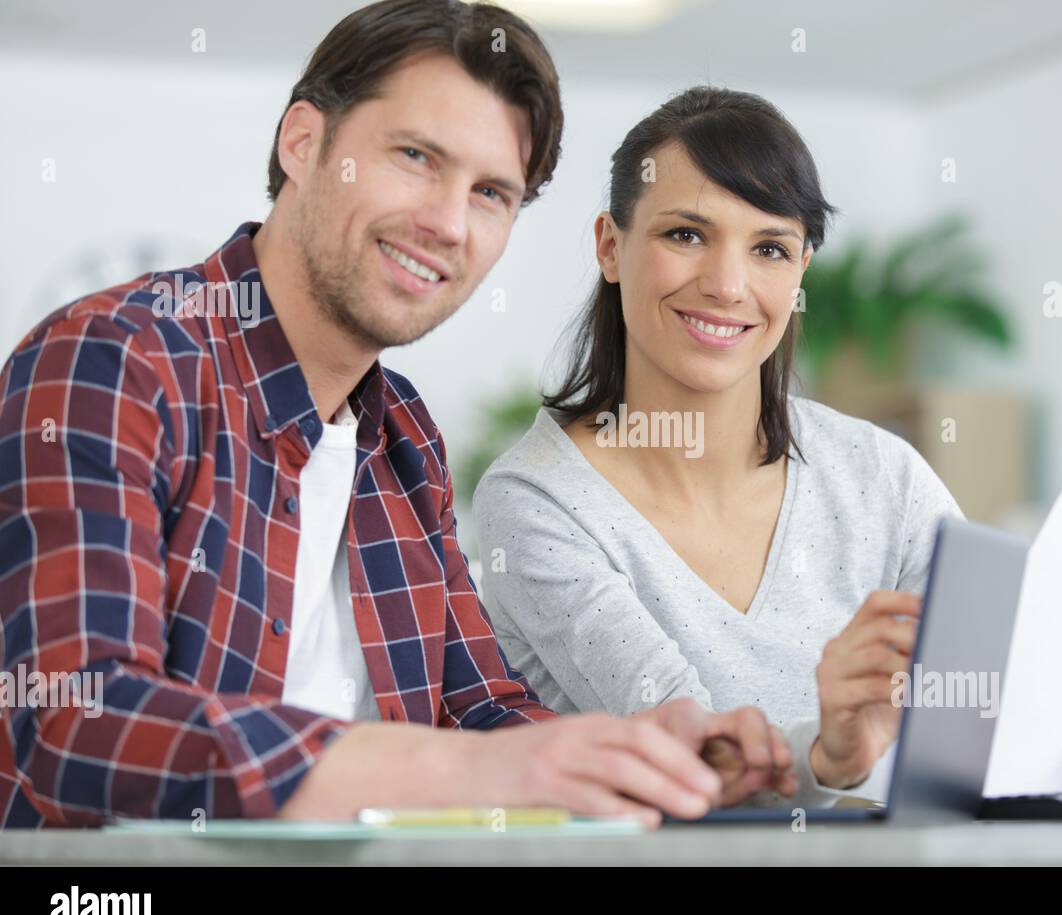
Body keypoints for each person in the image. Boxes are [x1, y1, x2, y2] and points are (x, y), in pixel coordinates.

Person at [0, 0, 799, 831]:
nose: (449, 224)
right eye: (416, 157)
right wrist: (468, 767)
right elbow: (77, 724)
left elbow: (483, 714)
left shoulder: (401, 435)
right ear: (304, 143)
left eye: (491, 193)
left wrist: (642, 761)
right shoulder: (114, 361)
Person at [473, 86, 1062, 808]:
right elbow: (701, 765)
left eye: (770, 248)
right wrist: (832, 754)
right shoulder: (537, 503)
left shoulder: (880, 476)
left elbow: (994, 704)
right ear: (611, 247)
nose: (727, 284)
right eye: (686, 234)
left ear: (800, 270)